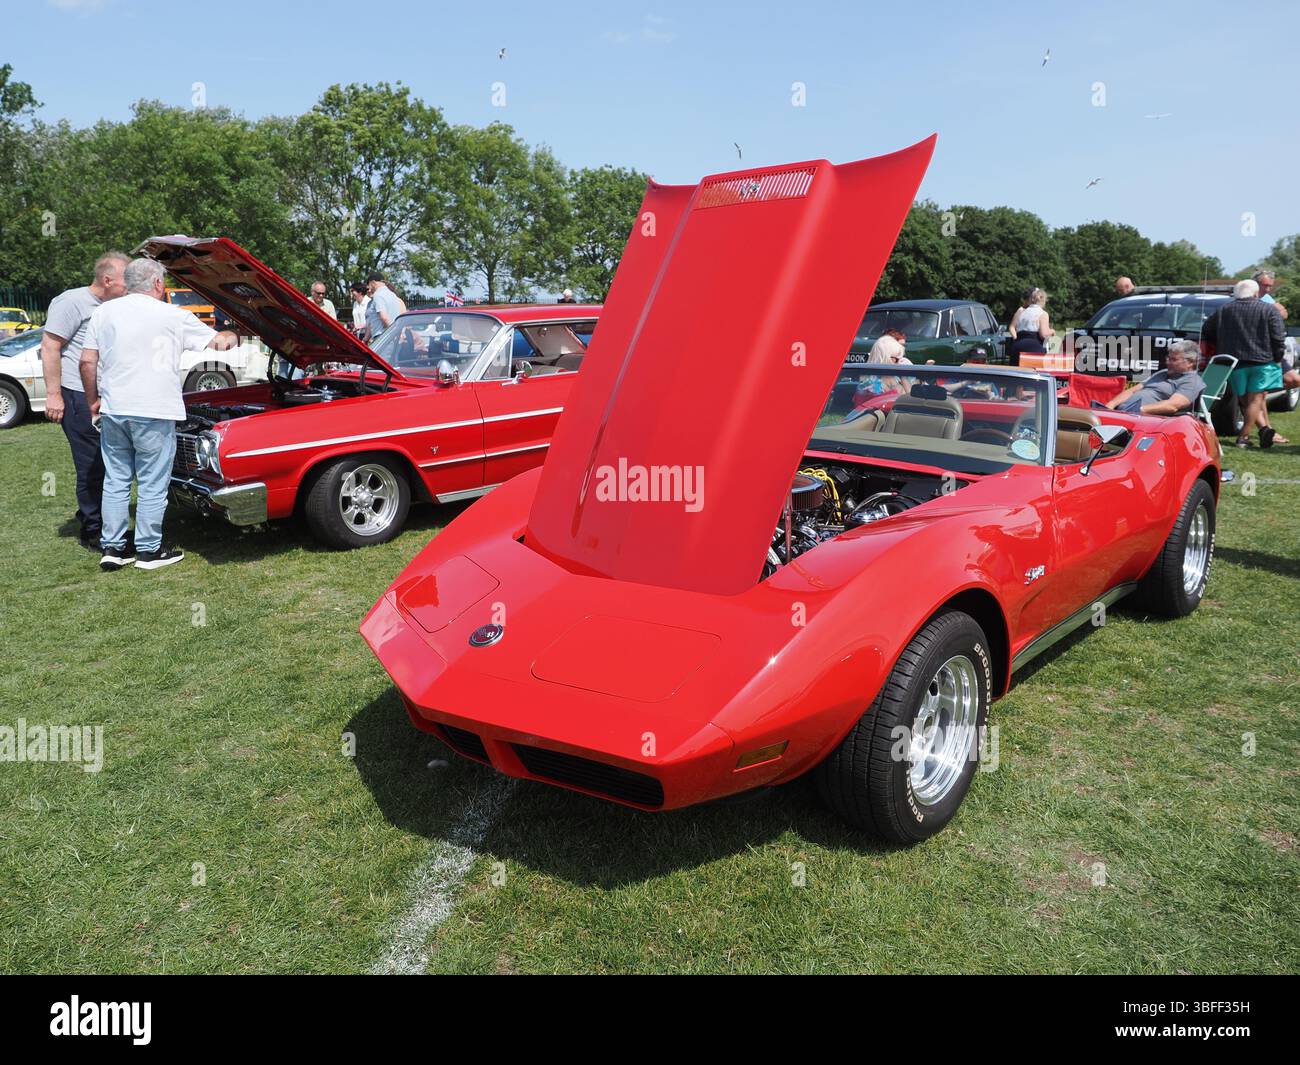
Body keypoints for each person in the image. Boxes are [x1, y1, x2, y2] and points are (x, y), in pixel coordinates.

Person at [79, 258, 238, 571]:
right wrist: (234, 331)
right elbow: (219, 345)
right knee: (152, 481)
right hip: (154, 409)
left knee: (116, 479)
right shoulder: (173, 315)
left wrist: (92, 400)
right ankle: (149, 551)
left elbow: (86, 361)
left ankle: (113, 547)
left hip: (115, 408)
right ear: (156, 283)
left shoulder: (104, 313)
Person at [40, 251, 129, 551]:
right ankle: (93, 530)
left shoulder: (115, 307)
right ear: (107, 279)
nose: (129, 288)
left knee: (109, 461)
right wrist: (54, 395)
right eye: (124, 282)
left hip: (108, 396)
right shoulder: (71, 302)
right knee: (91, 463)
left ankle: (101, 518)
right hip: (77, 395)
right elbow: (51, 347)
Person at [1201, 278, 1287, 448]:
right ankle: (1244, 437)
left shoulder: (1223, 310)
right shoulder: (1268, 310)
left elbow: (1207, 329)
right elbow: (1278, 336)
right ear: (1256, 293)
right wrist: (1278, 357)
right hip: (1262, 361)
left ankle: (1263, 430)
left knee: (1244, 400)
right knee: (1255, 399)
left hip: (1234, 363)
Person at [1105, 339, 1205, 415]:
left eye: (1173, 359)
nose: (1167, 362)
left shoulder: (1192, 381)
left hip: (1144, 418)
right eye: (1168, 358)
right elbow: (1132, 391)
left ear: (1191, 362)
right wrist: (1111, 404)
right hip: (1123, 412)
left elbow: (1172, 406)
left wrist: (1138, 410)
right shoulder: (1162, 373)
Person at [1008, 288, 1054, 364]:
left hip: (1017, 347)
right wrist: (1052, 332)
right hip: (1034, 348)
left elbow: (1013, 327)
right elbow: (1044, 335)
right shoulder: (1043, 314)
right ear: (1042, 300)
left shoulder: (1021, 311)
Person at [364, 271, 403, 341]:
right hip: (395, 335)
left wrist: (392, 333)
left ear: (373, 282)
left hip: (382, 336)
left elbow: (384, 318)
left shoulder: (378, 295)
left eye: (369, 285)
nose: (369, 289)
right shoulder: (393, 295)